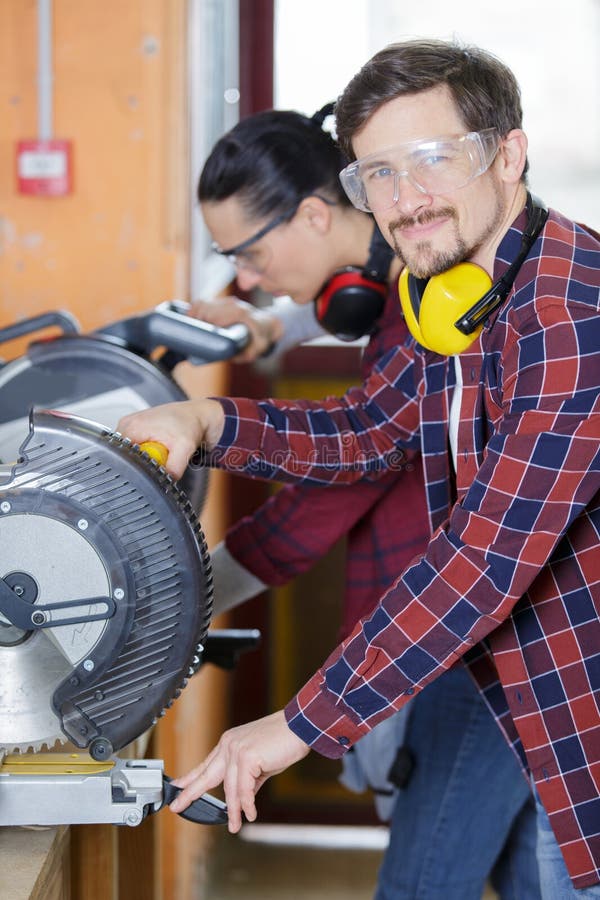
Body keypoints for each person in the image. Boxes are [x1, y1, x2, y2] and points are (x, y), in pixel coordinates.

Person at [117, 43, 600, 896]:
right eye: (378, 174)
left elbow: (481, 565)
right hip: (521, 688)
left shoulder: (567, 315)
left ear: (508, 154)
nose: (405, 201)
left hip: (576, 702)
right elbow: (372, 428)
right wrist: (209, 419)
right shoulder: (455, 293)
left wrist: (296, 726)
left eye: (432, 161)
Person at [192, 108, 539, 900]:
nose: (244, 276)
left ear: (317, 213)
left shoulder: (440, 307)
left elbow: (347, 468)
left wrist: (190, 591)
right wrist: (263, 329)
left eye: (248, 253)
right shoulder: (401, 296)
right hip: (478, 639)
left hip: (480, 645)